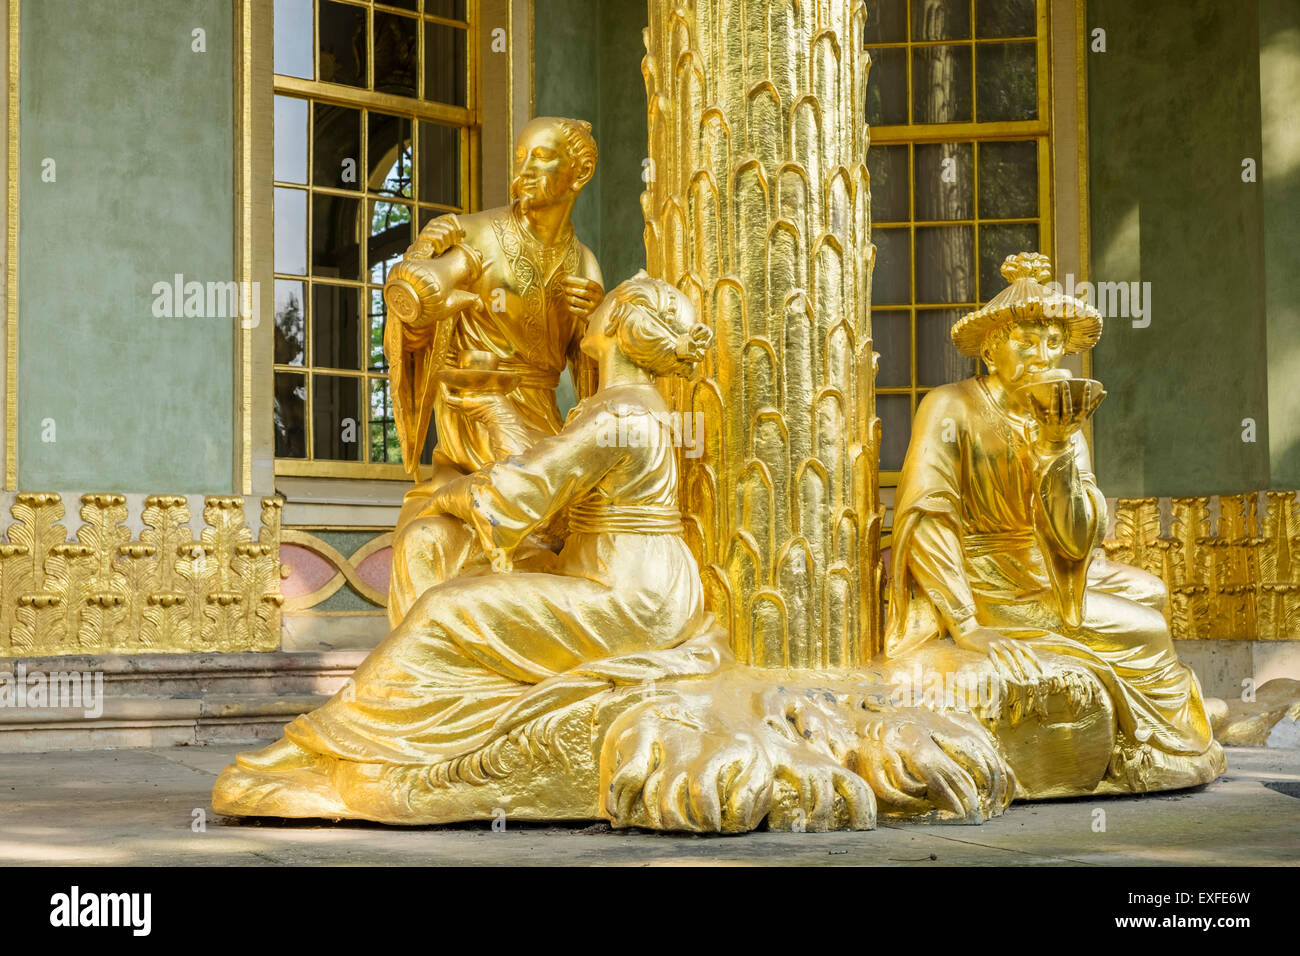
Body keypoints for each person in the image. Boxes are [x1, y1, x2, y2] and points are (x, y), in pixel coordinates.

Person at [213, 274, 718, 816]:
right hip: (638, 581)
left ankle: (327, 743)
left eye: (603, 307)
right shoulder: (634, 404)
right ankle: (414, 735)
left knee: (443, 609)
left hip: (627, 597)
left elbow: (520, 490)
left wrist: (448, 493)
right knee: (453, 568)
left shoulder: (617, 413)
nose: (588, 315)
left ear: (617, 324)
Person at [884, 253, 1221, 780]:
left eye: (1053, 341)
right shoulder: (949, 407)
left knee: (1151, 590)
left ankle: (1163, 706)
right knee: (1148, 628)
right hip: (987, 577)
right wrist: (967, 624)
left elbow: (1079, 540)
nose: (1043, 354)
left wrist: (1059, 448)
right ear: (992, 349)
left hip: (1047, 566)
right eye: (1027, 339)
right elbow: (928, 517)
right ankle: (1163, 740)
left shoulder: (1061, 417)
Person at [383, 116, 605, 624]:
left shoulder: (583, 265)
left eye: (541, 158)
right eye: (520, 157)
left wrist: (594, 319)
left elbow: (598, 385)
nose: (523, 170)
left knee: (557, 528)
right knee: (430, 538)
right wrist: (420, 276)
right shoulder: (480, 235)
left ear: (580, 172)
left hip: (541, 425)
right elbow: (418, 305)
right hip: (473, 418)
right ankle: (426, 666)